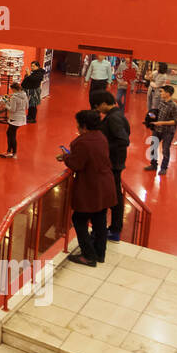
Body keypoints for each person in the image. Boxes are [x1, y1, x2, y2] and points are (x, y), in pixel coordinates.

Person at [60, 110, 118, 267]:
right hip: (106, 184)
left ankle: (88, 255)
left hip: (91, 187)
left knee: (79, 219)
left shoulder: (82, 142)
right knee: (100, 220)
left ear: (83, 125)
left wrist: (66, 157)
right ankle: (100, 253)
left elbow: (76, 164)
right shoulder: (101, 136)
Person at [90, 89, 131, 242]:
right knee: (114, 195)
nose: (97, 109)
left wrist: (103, 147)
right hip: (114, 162)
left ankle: (114, 229)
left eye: (97, 106)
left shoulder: (113, 119)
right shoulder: (116, 115)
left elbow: (124, 140)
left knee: (114, 196)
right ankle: (113, 228)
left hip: (113, 163)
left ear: (104, 103)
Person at [145, 84, 177, 176]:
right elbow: (158, 114)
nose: (160, 93)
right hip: (157, 129)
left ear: (168, 93)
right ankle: (153, 165)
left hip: (168, 132)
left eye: (162, 92)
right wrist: (151, 117)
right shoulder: (161, 102)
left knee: (165, 150)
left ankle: (164, 168)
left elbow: (176, 121)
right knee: (153, 147)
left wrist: (162, 123)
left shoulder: (174, 106)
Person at [1, 81, 28, 158]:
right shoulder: (24, 95)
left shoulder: (14, 97)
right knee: (11, 134)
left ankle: (11, 152)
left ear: (14, 89)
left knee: (11, 135)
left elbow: (12, 109)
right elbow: (26, 106)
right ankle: (12, 152)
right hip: (22, 117)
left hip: (14, 118)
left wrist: (5, 104)